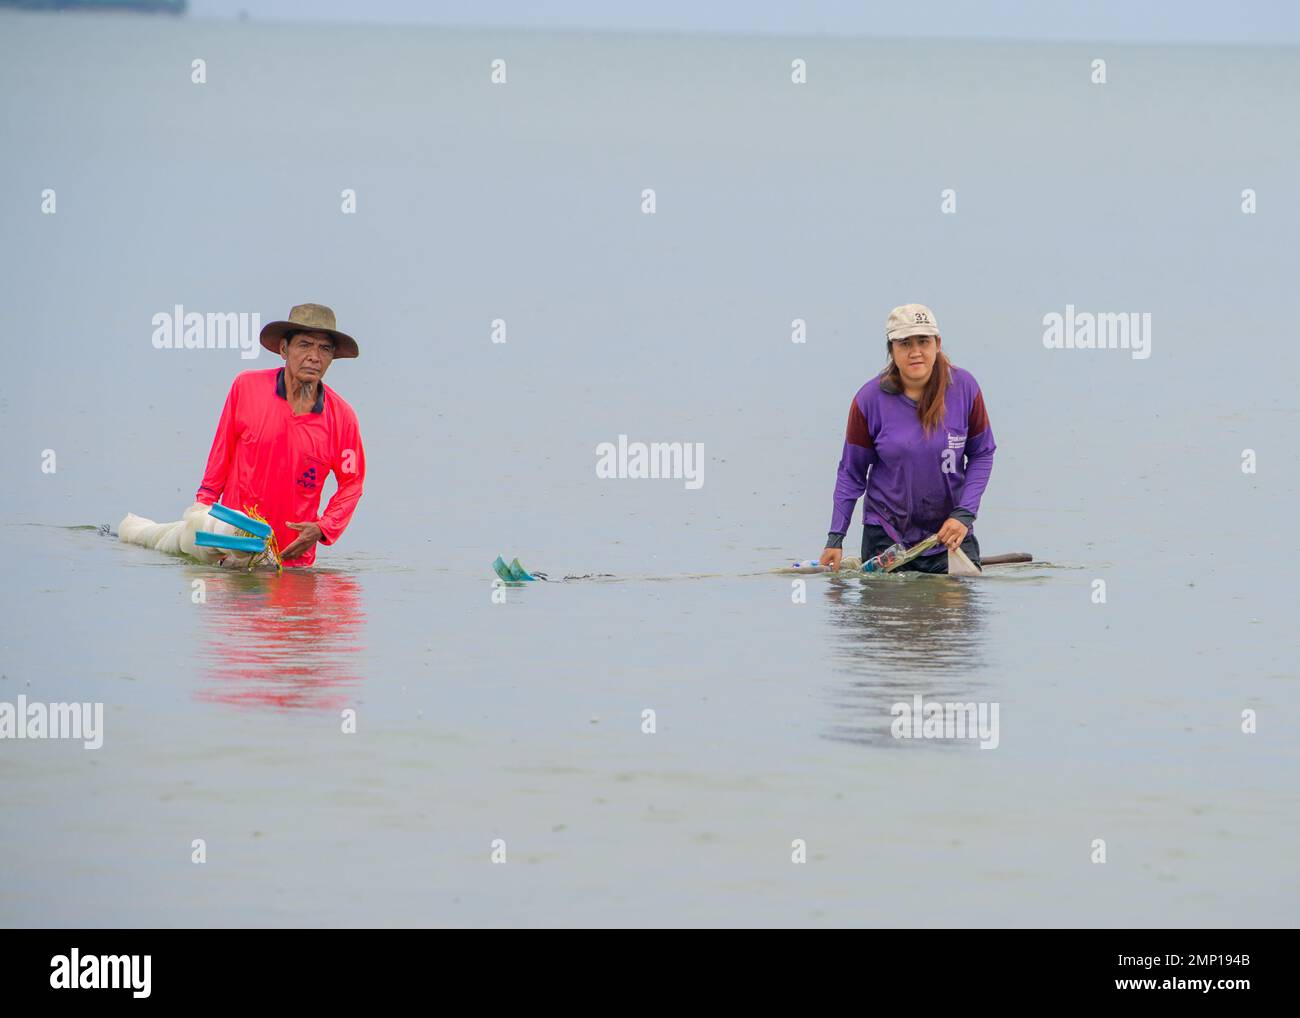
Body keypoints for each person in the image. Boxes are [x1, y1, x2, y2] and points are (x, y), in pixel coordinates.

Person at [819, 304, 995, 574]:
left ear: (937, 343)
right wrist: (835, 537)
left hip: (949, 535)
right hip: (887, 538)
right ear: (891, 349)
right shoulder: (868, 400)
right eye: (904, 343)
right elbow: (851, 473)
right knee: (890, 614)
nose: (915, 352)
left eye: (923, 341)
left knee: (959, 614)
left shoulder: (965, 388)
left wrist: (964, 514)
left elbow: (982, 453)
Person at [195, 303, 366, 567]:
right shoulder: (246, 387)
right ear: (284, 350)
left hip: (292, 562)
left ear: (333, 357)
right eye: (304, 345)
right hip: (233, 551)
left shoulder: (343, 417)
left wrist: (323, 527)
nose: (314, 356)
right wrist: (202, 511)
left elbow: (352, 482)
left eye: (325, 348)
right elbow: (221, 456)